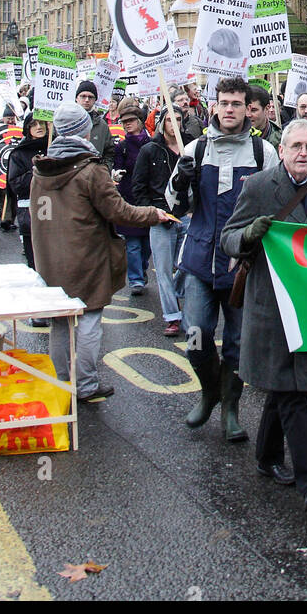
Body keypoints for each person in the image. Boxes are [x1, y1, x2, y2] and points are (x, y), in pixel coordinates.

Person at [220, 117, 307, 517]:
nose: (303, 154)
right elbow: (228, 238)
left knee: (288, 383)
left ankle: (266, 455)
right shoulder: (259, 187)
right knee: (294, 391)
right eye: (295, 146)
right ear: (281, 150)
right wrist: (248, 235)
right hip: (271, 307)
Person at [30, 102, 170, 402]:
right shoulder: (90, 170)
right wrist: (152, 213)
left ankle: (62, 381)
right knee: (90, 317)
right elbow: (118, 211)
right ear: (83, 131)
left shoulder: (40, 170)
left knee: (60, 321)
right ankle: (86, 384)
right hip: (86, 255)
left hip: (48, 256)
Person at [168, 77, 277, 439]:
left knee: (236, 343)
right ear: (214, 105)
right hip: (199, 259)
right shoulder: (195, 149)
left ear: (248, 108)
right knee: (197, 335)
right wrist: (180, 182)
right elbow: (173, 206)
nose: (229, 110)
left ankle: (231, 408)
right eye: (224, 103)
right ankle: (209, 390)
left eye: (237, 104)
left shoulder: (264, 154)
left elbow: (274, 208)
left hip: (243, 265)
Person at [132, 107, 185, 336]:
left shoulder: (191, 149)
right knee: (163, 269)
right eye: (171, 120)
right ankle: (172, 316)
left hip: (186, 216)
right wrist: (152, 212)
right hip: (160, 216)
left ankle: (186, 303)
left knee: (188, 266)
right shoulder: (149, 151)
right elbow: (138, 186)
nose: (176, 124)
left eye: (180, 119)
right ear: (162, 123)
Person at [111, 99, 153, 295]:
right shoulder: (122, 146)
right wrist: (115, 173)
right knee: (133, 243)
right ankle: (135, 279)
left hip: (147, 197)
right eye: (124, 121)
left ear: (140, 121)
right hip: (128, 197)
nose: (127, 124)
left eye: (131, 120)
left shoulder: (152, 144)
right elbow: (116, 166)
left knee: (146, 244)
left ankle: (142, 270)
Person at [7, 112, 50, 271]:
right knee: (35, 265)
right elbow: (16, 185)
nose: (39, 127)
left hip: (56, 212)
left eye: (42, 123)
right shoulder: (19, 153)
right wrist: (38, 171)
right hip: (31, 212)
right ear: (27, 128)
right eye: (34, 124)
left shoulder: (55, 148)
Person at [74, 80, 115, 169]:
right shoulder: (66, 121)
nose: (87, 100)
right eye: (83, 96)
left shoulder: (102, 125)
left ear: (95, 100)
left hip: (94, 178)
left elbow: (109, 152)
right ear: (77, 98)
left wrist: (103, 170)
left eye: (90, 97)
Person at [246, 83, 281, 149]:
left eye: (253, 110)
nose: (248, 115)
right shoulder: (232, 136)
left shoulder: (280, 140)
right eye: (245, 109)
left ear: (266, 109)